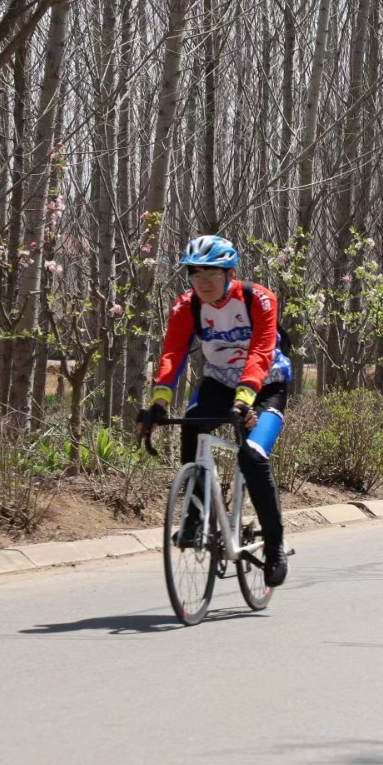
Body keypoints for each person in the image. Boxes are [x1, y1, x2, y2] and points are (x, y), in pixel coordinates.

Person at [136, 235, 293, 587]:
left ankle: (275, 545)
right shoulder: (186, 306)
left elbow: (262, 350)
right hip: (219, 383)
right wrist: (159, 401)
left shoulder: (259, 298)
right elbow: (173, 353)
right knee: (193, 424)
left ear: (230, 273)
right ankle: (194, 518)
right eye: (196, 274)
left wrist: (246, 399)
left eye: (212, 273)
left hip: (267, 384)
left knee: (252, 456)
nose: (203, 282)